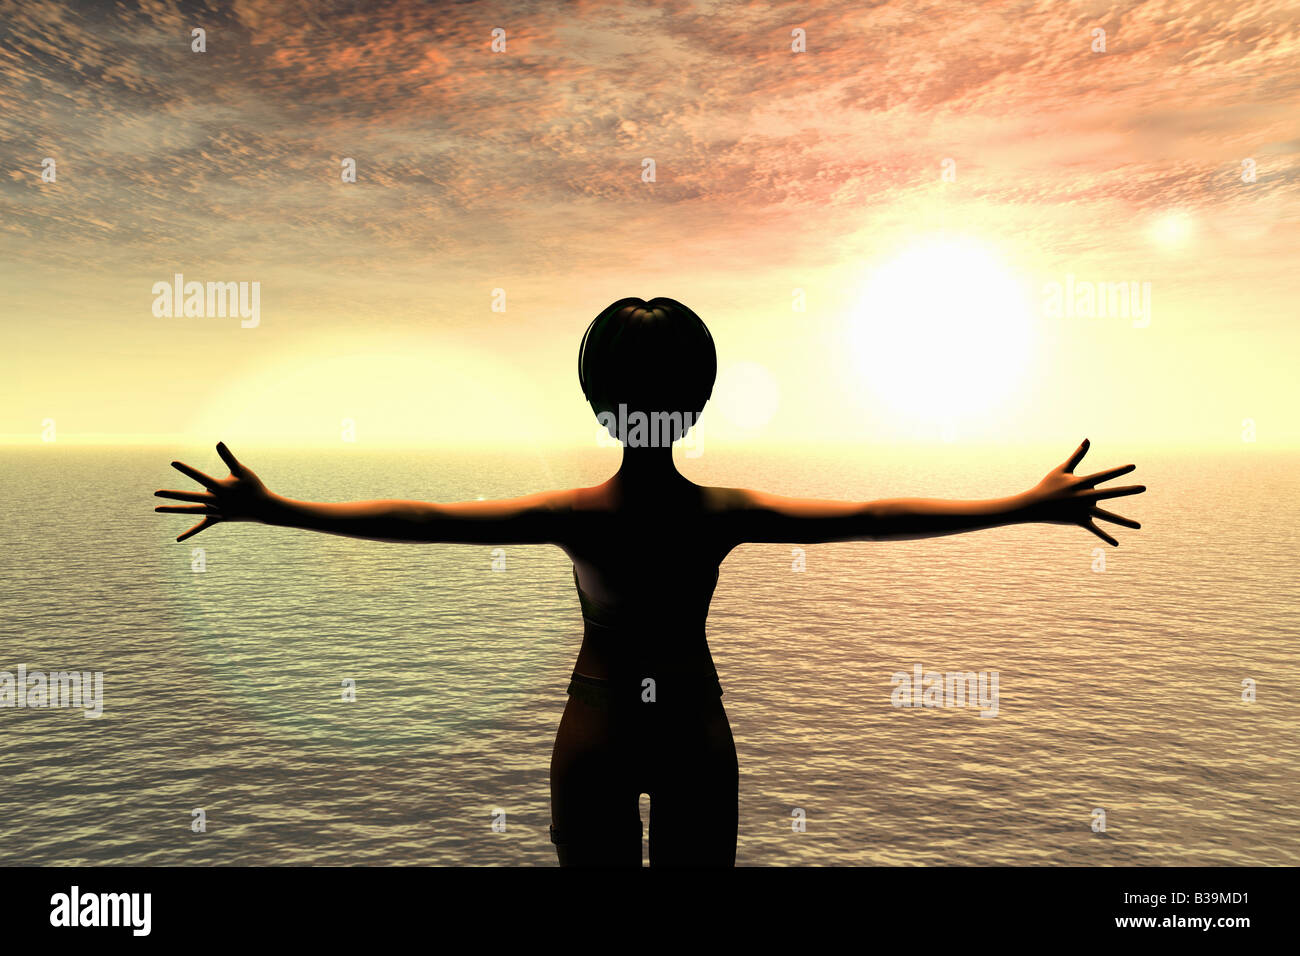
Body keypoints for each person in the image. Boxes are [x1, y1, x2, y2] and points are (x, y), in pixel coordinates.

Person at [155, 296, 1145, 866]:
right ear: (699, 398)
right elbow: (873, 516)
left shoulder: (577, 515)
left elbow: (422, 522)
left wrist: (273, 507)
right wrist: (1022, 503)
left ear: (597, 399)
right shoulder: (718, 514)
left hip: (594, 725)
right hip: (690, 728)